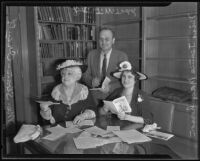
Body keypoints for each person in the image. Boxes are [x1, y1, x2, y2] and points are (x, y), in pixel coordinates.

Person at [39, 59, 96, 125]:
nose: (65, 76)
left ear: (77, 76)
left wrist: (83, 116)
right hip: (58, 131)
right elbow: (47, 120)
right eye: (63, 73)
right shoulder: (55, 92)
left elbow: (93, 109)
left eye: (69, 74)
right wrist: (45, 110)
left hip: (80, 130)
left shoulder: (84, 91)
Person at [82, 27, 128, 105]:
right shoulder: (91, 55)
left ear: (113, 40)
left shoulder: (122, 56)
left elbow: (126, 79)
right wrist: (91, 81)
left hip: (115, 97)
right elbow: (85, 75)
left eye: (107, 39)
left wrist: (110, 87)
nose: (103, 42)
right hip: (94, 98)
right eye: (101, 39)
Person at [99, 61, 153, 125]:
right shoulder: (117, 91)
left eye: (129, 77)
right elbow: (100, 112)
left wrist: (127, 117)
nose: (126, 80)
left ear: (135, 80)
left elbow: (149, 120)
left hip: (134, 130)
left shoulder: (141, 95)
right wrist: (104, 109)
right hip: (116, 128)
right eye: (123, 76)